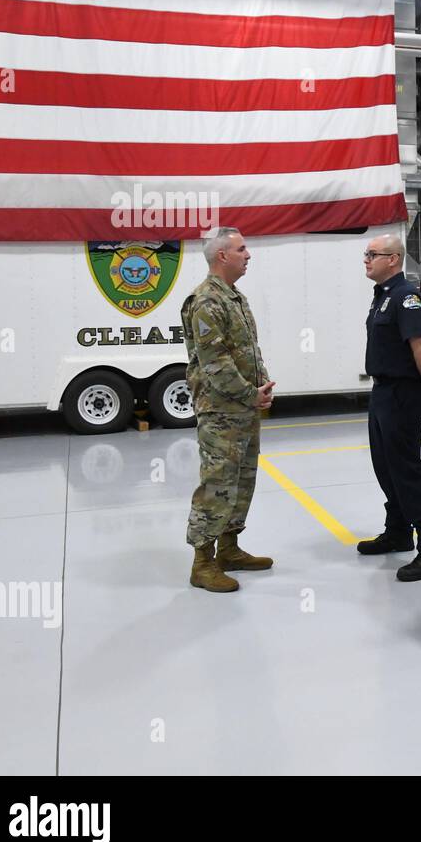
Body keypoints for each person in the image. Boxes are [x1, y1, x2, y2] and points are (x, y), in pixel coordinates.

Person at [183, 227, 276, 593]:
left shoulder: (234, 297)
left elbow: (248, 350)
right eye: (241, 249)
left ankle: (230, 549)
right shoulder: (206, 301)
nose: (248, 254)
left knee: (241, 481)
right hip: (220, 412)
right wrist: (249, 394)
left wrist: (262, 386)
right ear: (222, 255)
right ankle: (202, 563)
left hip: (243, 407)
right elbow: (215, 363)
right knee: (217, 485)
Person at [358, 232, 421, 582]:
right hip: (382, 392)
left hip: (401, 393)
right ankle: (397, 530)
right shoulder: (383, 295)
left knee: (406, 469)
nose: (366, 259)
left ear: (393, 259)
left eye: (372, 254)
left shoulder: (405, 296)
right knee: (385, 466)